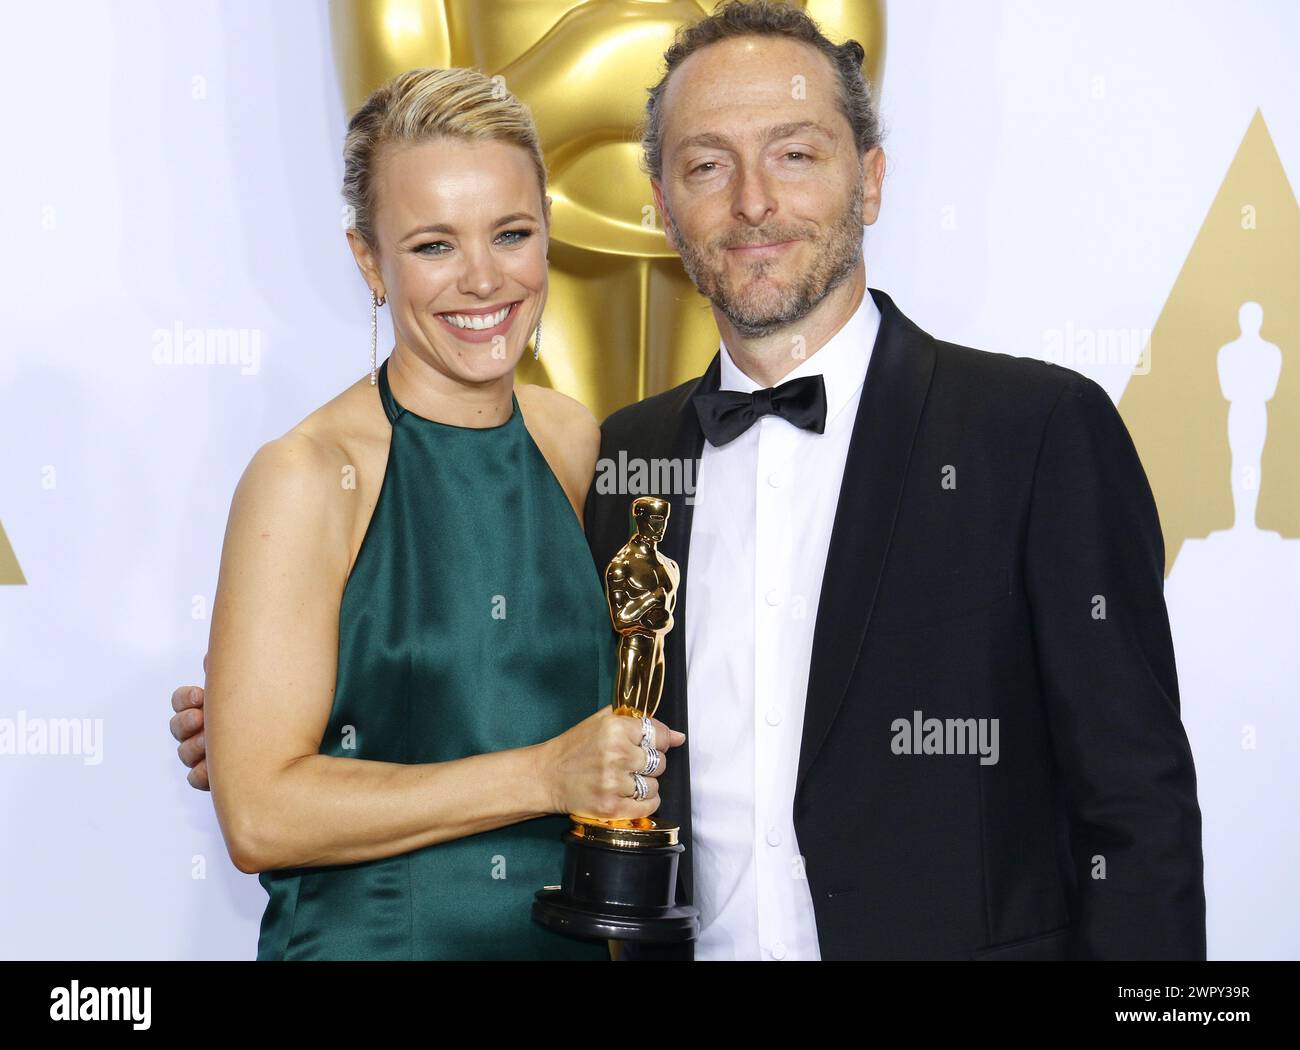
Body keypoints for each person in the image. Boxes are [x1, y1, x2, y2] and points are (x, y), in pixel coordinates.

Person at [176, 0, 1206, 961]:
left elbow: (1137, 806)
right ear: (663, 208)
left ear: (873, 180)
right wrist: (272, 707)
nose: (753, 202)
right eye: (708, 166)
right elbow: (481, 686)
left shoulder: (1032, 430)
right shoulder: (633, 450)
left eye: (794, 155)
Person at [186, 65, 685, 961]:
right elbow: (259, 814)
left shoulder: (573, 441)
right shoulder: (306, 474)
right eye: (432, 246)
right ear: (369, 261)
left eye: (511, 233)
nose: (483, 280)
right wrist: (543, 774)